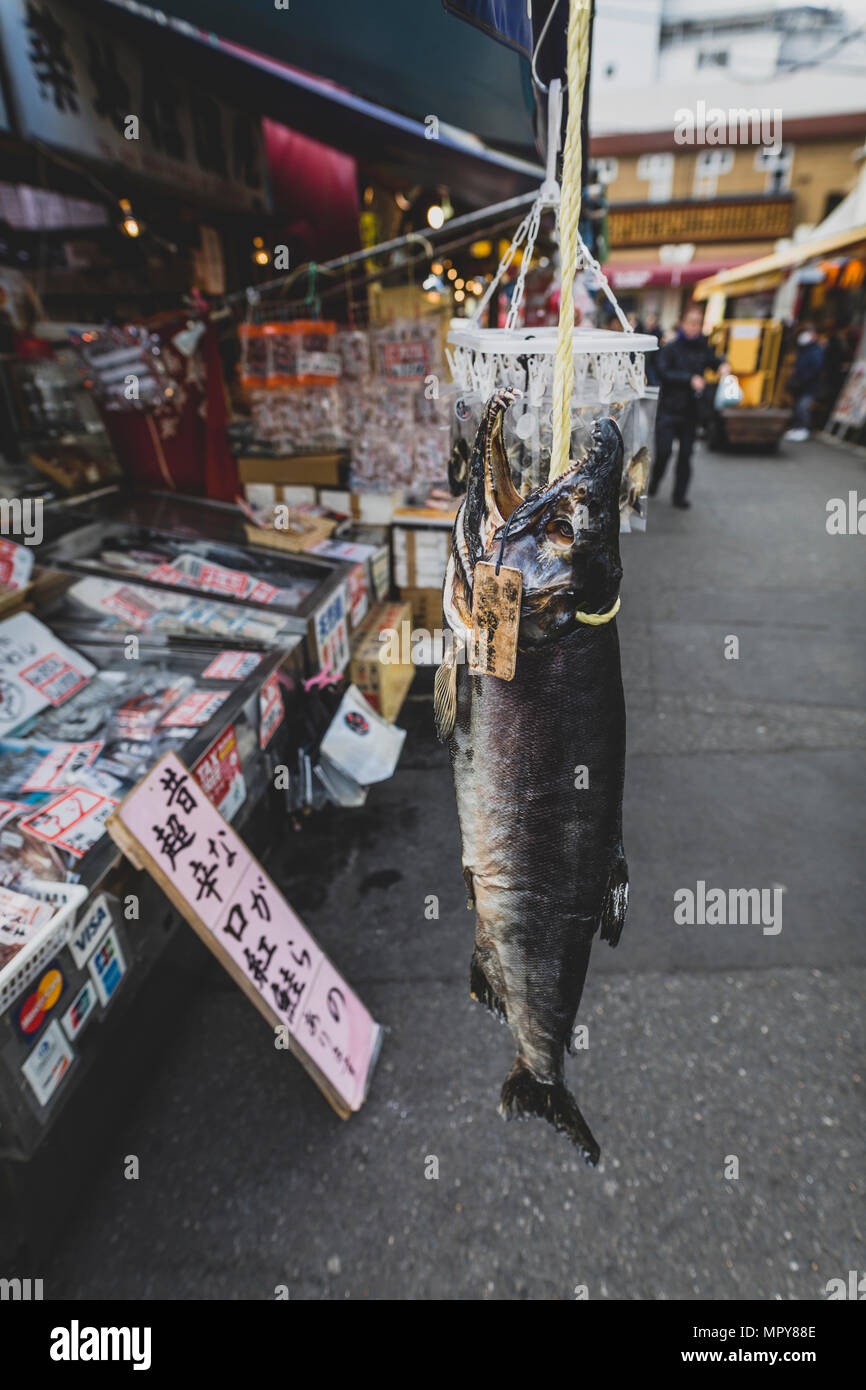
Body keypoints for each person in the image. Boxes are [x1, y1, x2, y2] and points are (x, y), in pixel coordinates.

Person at [648, 303, 728, 509]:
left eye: (697, 323)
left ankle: (679, 496)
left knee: (685, 456)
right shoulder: (671, 349)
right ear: (682, 324)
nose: (694, 327)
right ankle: (654, 482)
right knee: (664, 452)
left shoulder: (703, 347)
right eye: (691, 323)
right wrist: (688, 379)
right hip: (668, 410)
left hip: (691, 412)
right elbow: (663, 372)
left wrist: (721, 365)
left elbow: (714, 361)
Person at [784, 323, 825, 442]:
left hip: (810, 385)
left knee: (802, 407)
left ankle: (803, 429)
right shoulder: (804, 349)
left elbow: (816, 368)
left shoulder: (815, 350)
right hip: (801, 385)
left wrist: (804, 378)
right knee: (798, 407)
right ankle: (798, 428)